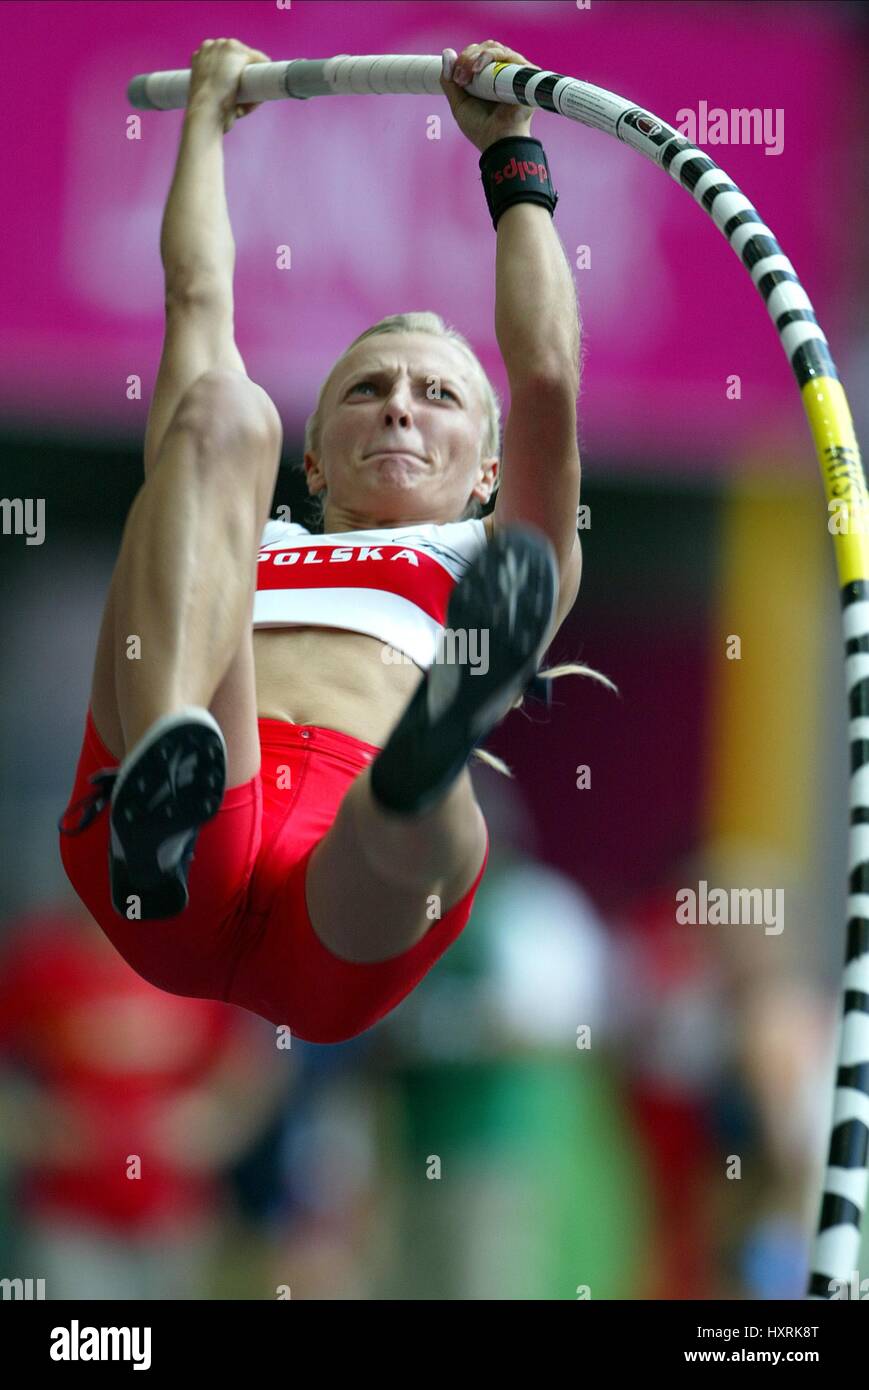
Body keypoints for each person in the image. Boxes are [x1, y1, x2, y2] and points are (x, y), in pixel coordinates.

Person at [58, 38, 600, 1045]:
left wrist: (511, 149)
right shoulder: (236, 530)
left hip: (341, 896)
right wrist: (205, 126)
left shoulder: (491, 552)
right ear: (314, 460)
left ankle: (418, 764)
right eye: (367, 389)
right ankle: (169, 779)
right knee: (221, 410)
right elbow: (195, 301)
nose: (399, 408)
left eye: (436, 395)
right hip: (179, 843)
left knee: (430, 826)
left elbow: (547, 378)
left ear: (486, 472)